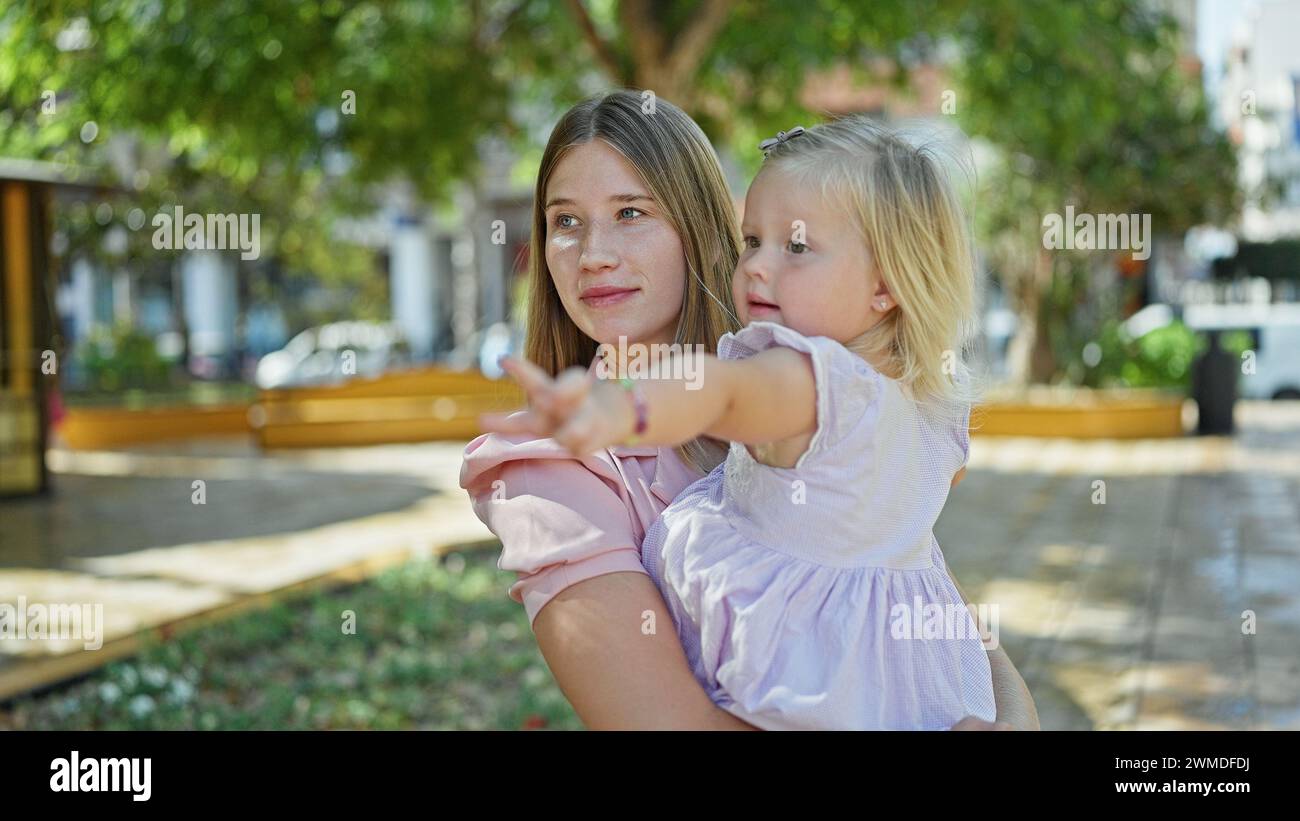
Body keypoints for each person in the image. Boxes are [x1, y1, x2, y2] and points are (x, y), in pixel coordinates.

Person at [460, 90, 1039, 730]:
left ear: (700, 226)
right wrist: (615, 406)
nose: (593, 252)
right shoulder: (547, 469)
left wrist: (1009, 721)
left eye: (630, 212)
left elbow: (934, 603)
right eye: (564, 221)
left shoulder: (826, 385)